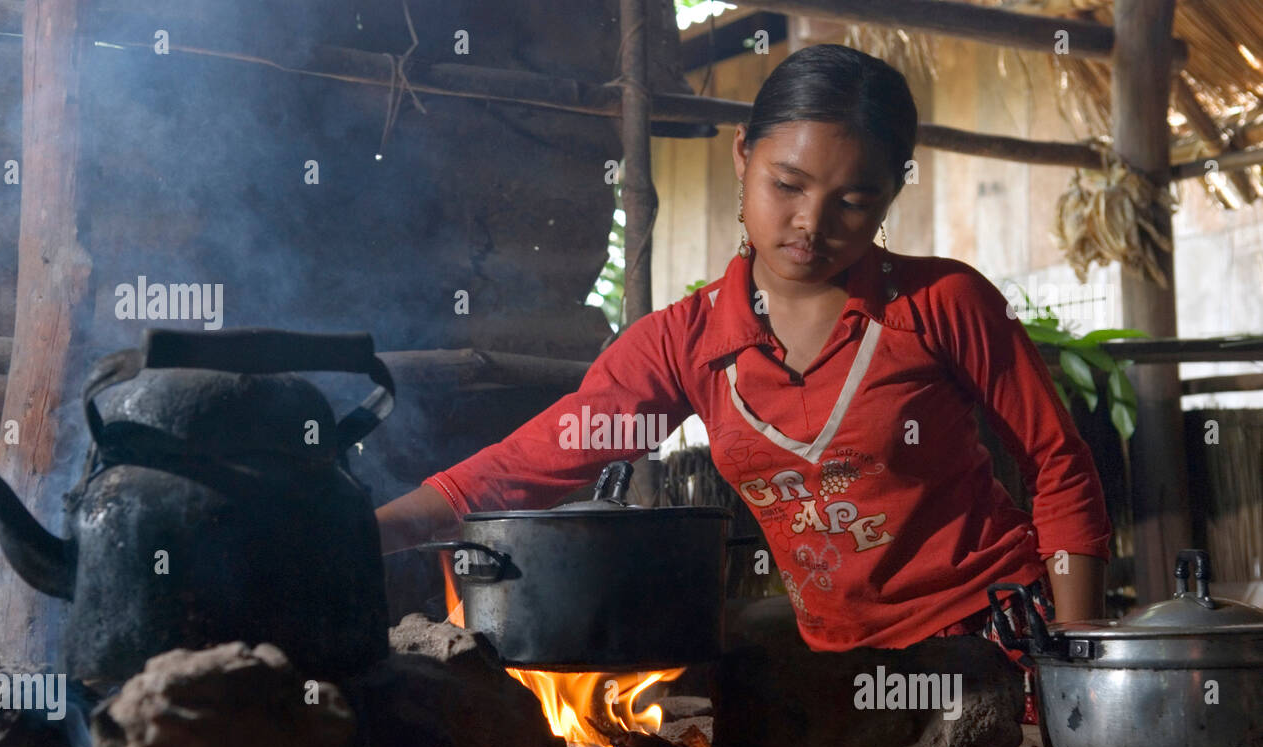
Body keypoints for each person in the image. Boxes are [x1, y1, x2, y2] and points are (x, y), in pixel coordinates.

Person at [376, 43, 1111, 658]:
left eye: (854, 201)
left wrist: (1075, 658)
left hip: (994, 643)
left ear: (890, 199)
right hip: (836, 668)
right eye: (785, 184)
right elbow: (525, 467)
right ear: (742, 156)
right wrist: (368, 532)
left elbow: (1058, 465)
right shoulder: (684, 343)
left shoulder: (943, 304)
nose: (810, 223)